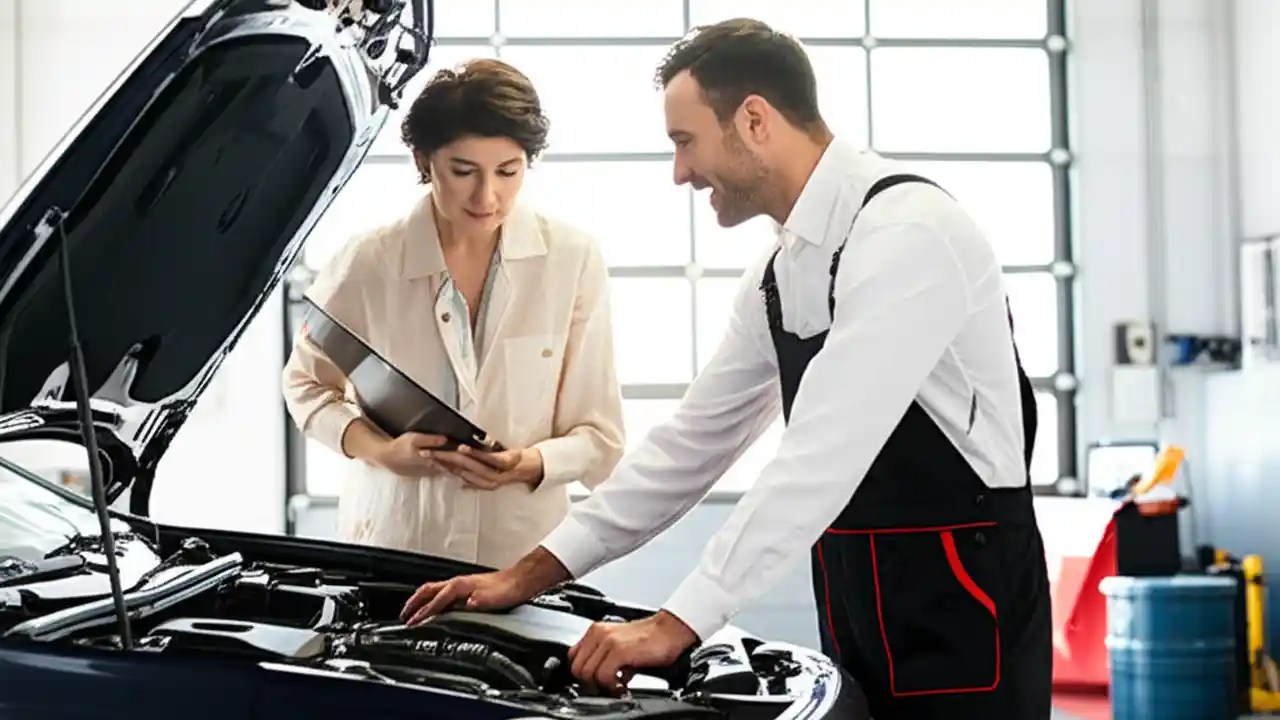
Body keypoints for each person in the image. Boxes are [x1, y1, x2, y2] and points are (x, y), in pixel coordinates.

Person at [398, 20, 1052, 719]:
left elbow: (818, 462)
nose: (681, 172)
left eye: (686, 142)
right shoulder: (781, 272)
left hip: (964, 610)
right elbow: (690, 445)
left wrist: (676, 624)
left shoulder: (907, 237)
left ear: (753, 120)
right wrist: (524, 575)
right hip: (863, 603)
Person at [282, 58, 625, 571]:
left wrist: (528, 464)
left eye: (508, 172)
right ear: (425, 162)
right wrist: (380, 450)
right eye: (462, 172)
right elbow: (306, 387)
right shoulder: (368, 261)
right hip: (395, 550)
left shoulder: (572, 260)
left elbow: (600, 436)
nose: (487, 196)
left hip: (522, 558)